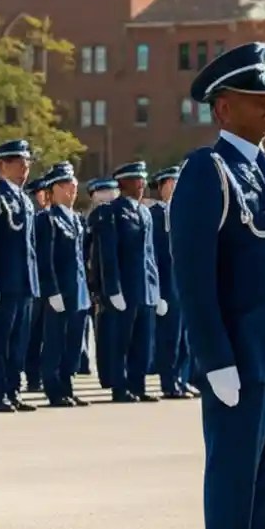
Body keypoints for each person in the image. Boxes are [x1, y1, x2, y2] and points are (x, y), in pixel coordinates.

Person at [169, 42, 265, 529]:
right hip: (239, 362)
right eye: (257, 98)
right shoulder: (208, 171)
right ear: (224, 108)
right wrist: (213, 358)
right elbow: (193, 274)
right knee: (234, 488)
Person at [0, 139, 40, 413]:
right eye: (19, 163)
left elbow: (31, 246)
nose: (24, 168)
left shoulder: (24, 199)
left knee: (18, 341)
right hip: (3, 282)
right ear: (2, 165)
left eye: (26, 163)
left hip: (24, 282)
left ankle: (13, 389)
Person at [98, 161, 162, 403]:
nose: (142, 184)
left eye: (143, 179)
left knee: (142, 342)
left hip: (144, 287)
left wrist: (156, 289)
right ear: (123, 182)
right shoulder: (112, 212)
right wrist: (113, 288)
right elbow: (109, 254)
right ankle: (120, 386)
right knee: (120, 341)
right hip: (125, 289)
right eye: (137, 179)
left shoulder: (144, 211)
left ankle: (138, 384)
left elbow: (150, 254)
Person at [35, 162, 91, 408]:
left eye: (73, 185)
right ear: (54, 189)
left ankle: (67, 386)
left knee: (73, 344)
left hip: (77, 290)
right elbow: (45, 259)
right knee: (55, 342)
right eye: (66, 185)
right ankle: (54, 389)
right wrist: (52, 290)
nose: (72, 189)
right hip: (59, 291)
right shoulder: (47, 219)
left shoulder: (77, 219)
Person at [150, 165, 193, 399]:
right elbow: (154, 254)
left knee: (186, 337)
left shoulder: (184, 213)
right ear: (164, 186)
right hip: (167, 284)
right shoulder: (156, 215)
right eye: (174, 184)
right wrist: (158, 291)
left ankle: (182, 379)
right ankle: (169, 382)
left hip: (184, 284)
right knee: (170, 338)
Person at [85, 177, 119, 383]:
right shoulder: (96, 217)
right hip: (97, 281)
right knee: (103, 330)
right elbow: (87, 251)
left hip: (109, 281)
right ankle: (105, 372)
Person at [23, 175, 50, 394]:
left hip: (49, 284)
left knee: (45, 333)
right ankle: (32, 376)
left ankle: (40, 374)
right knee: (32, 334)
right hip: (35, 282)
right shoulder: (35, 218)